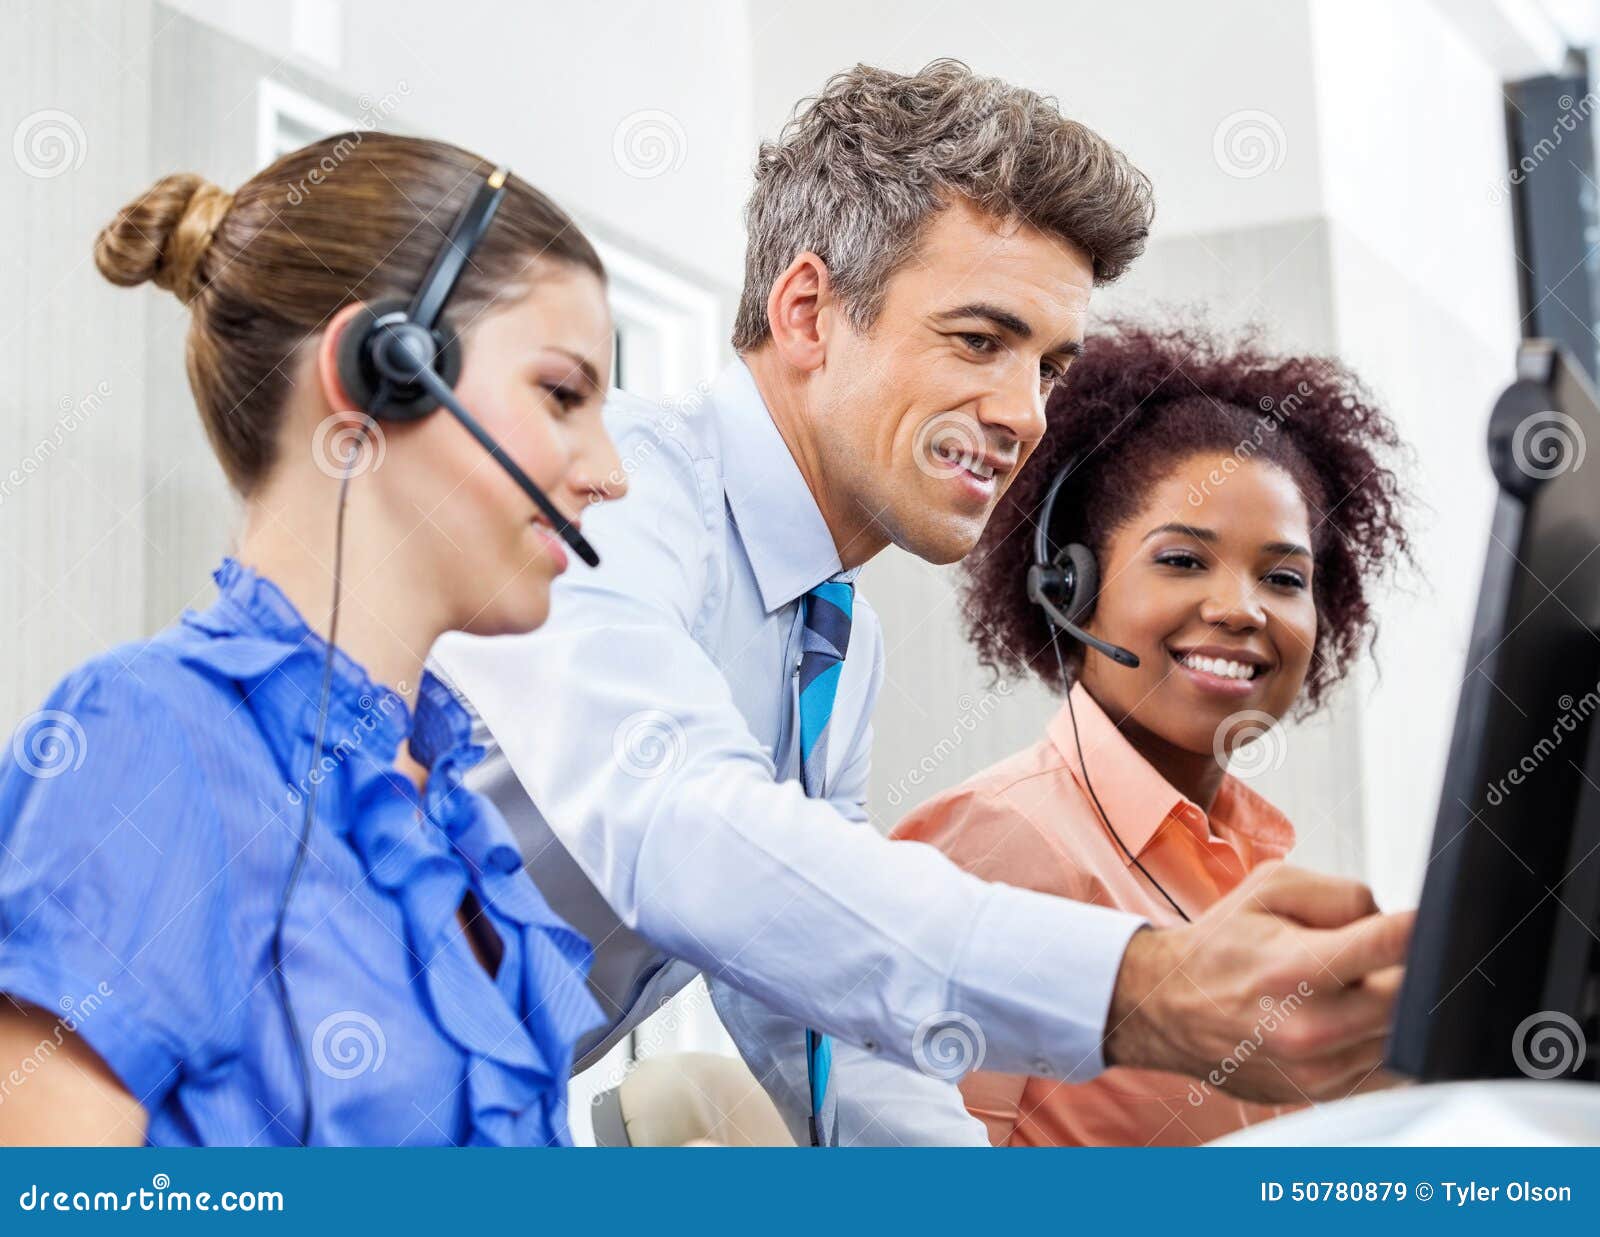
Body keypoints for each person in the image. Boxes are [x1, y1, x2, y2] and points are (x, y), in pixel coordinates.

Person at [435, 59, 1413, 1148]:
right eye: (978, 341)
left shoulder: (835, 643)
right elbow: (680, 835)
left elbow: (818, 1007)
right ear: (806, 311)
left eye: (1048, 365)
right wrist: (1143, 988)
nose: (1023, 413)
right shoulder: (615, 494)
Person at [0, 132, 624, 1146]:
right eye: (562, 394)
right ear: (384, 368)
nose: (608, 471)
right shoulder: (142, 739)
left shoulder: (453, 812)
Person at [891, 320, 1411, 1144]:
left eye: (1284, 577)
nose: (1241, 608)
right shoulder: (1001, 841)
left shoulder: (1259, 870)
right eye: (1182, 560)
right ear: (1072, 585)